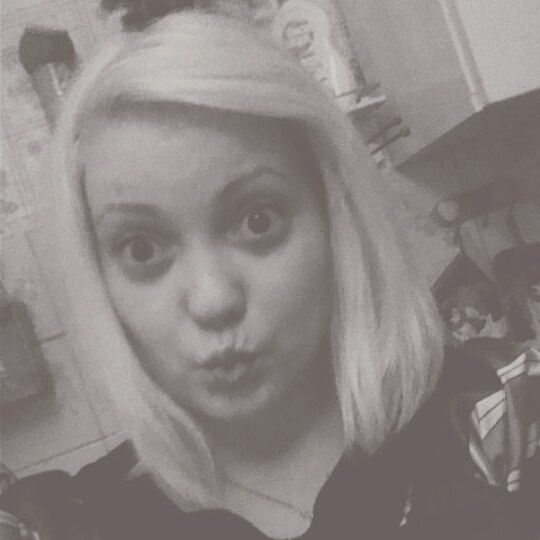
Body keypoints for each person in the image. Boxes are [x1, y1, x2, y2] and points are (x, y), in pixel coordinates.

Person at [1, 11, 539, 540]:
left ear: (336, 221)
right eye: (142, 249)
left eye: (257, 221)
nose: (213, 299)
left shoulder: (507, 417)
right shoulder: (73, 525)